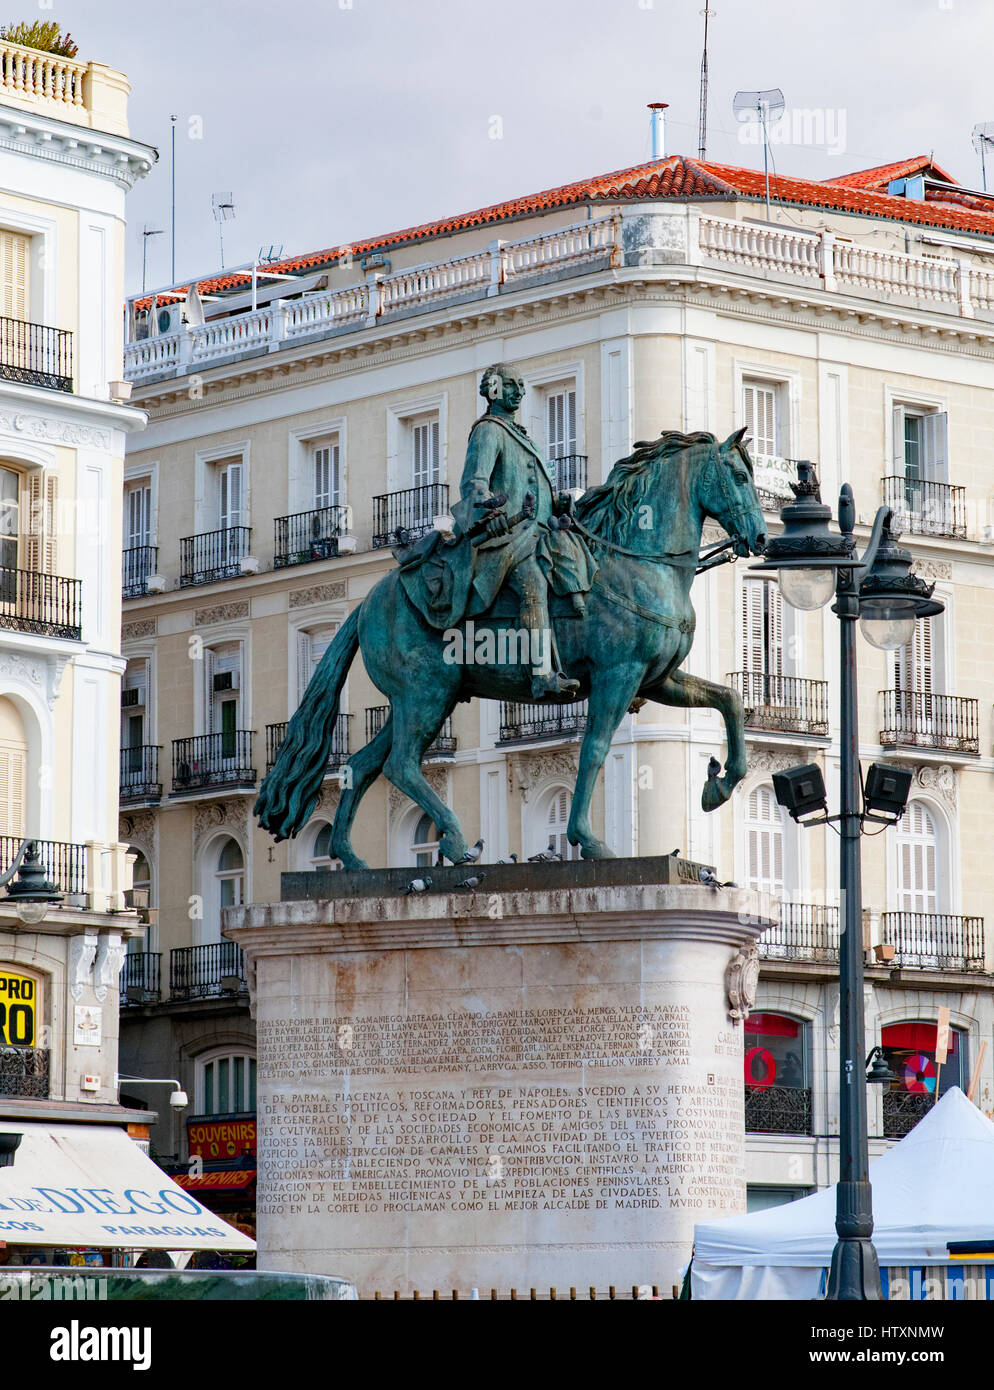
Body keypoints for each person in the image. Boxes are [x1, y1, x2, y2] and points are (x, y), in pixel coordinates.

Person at [446, 364, 596, 697]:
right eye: (513, 385)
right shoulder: (489, 430)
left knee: (587, 567)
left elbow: (535, 487)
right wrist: (489, 512)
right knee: (533, 582)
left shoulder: (522, 436)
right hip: (506, 539)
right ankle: (542, 674)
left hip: (540, 532)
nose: (520, 392)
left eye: (522, 386)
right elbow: (474, 484)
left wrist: (558, 503)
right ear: (494, 389)